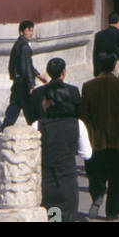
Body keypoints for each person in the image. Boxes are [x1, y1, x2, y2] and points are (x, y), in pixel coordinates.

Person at [80, 52, 119, 221]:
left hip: (97, 139)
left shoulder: (89, 86)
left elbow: (84, 116)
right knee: (118, 178)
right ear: (113, 66)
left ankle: (97, 195)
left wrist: (90, 134)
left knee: (96, 173)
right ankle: (113, 211)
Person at [38, 74, 92, 222]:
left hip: (46, 182)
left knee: (52, 217)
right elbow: (87, 154)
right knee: (66, 218)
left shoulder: (37, 125)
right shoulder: (77, 124)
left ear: (50, 102)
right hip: (67, 182)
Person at [0, 20, 43, 130]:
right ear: (21, 32)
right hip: (24, 85)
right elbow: (26, 67)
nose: (30, 33)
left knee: (12, 111)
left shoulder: (18, 45)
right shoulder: (24, 46)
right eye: (28, 30)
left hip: (17, 83)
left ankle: (2, 134)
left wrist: (37, 74)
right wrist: (31, 85)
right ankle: (37, 134)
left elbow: (26, 65)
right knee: (30, 112)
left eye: (32, 31)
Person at [31, 56, 81, 122]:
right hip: (69, 128)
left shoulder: (37, 92)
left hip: (44, 129)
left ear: (48, 72)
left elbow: (32, 117)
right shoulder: (73, 90)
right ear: (63, 72)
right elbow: (78, 114)